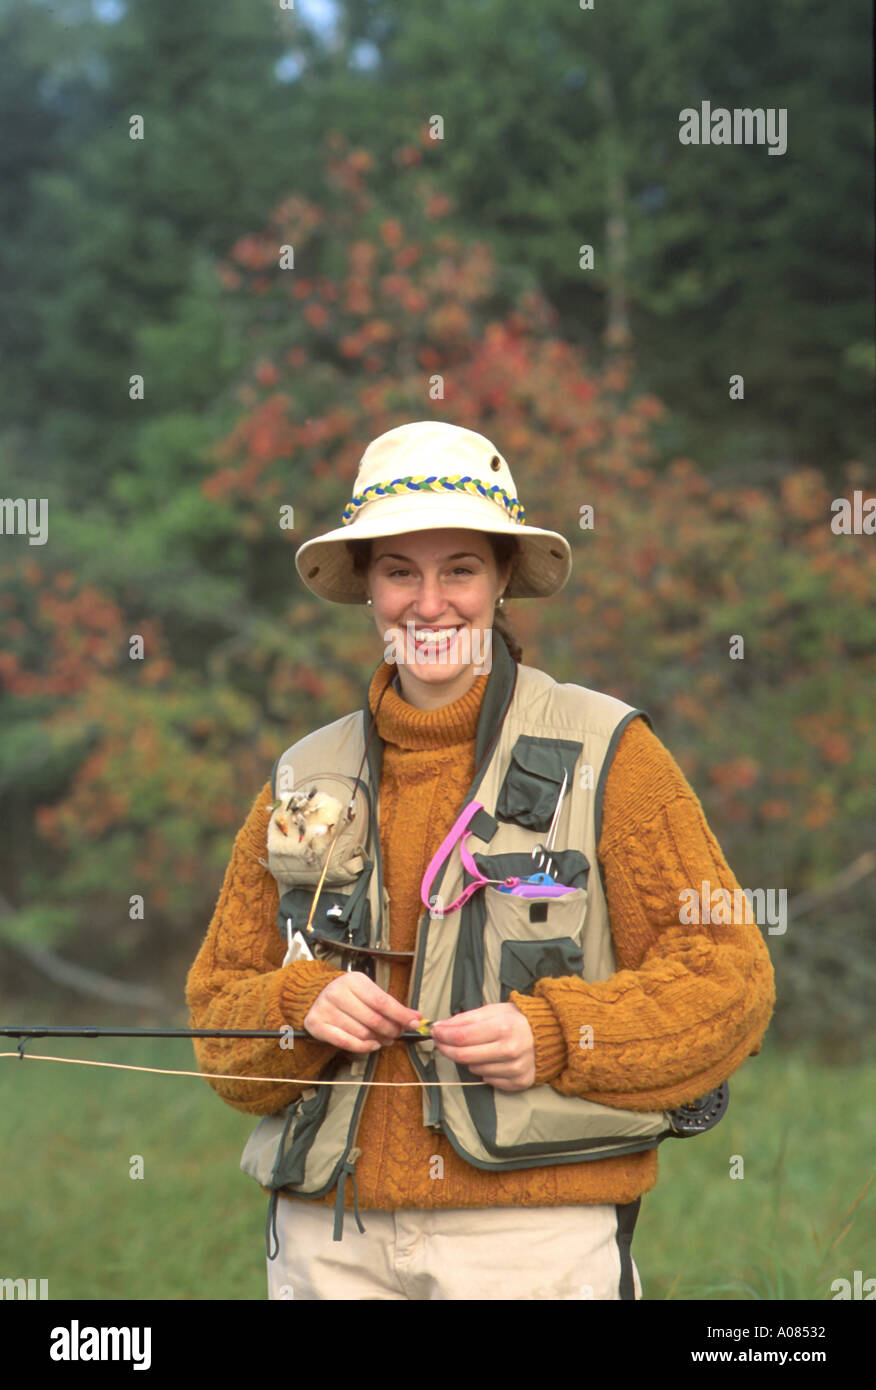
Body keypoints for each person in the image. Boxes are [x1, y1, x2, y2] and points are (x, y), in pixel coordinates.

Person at [185, 419, 775, 1301]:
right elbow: (219, 1024)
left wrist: (555, 1034)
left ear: (502, 582)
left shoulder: (611, 750)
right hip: (323, 1237)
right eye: (399, 572)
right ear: (366, 589)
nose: (430, 604)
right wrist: (298, 1003)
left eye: (459, 569)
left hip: (532, 1239)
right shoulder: (300, 776)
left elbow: (731, 981)